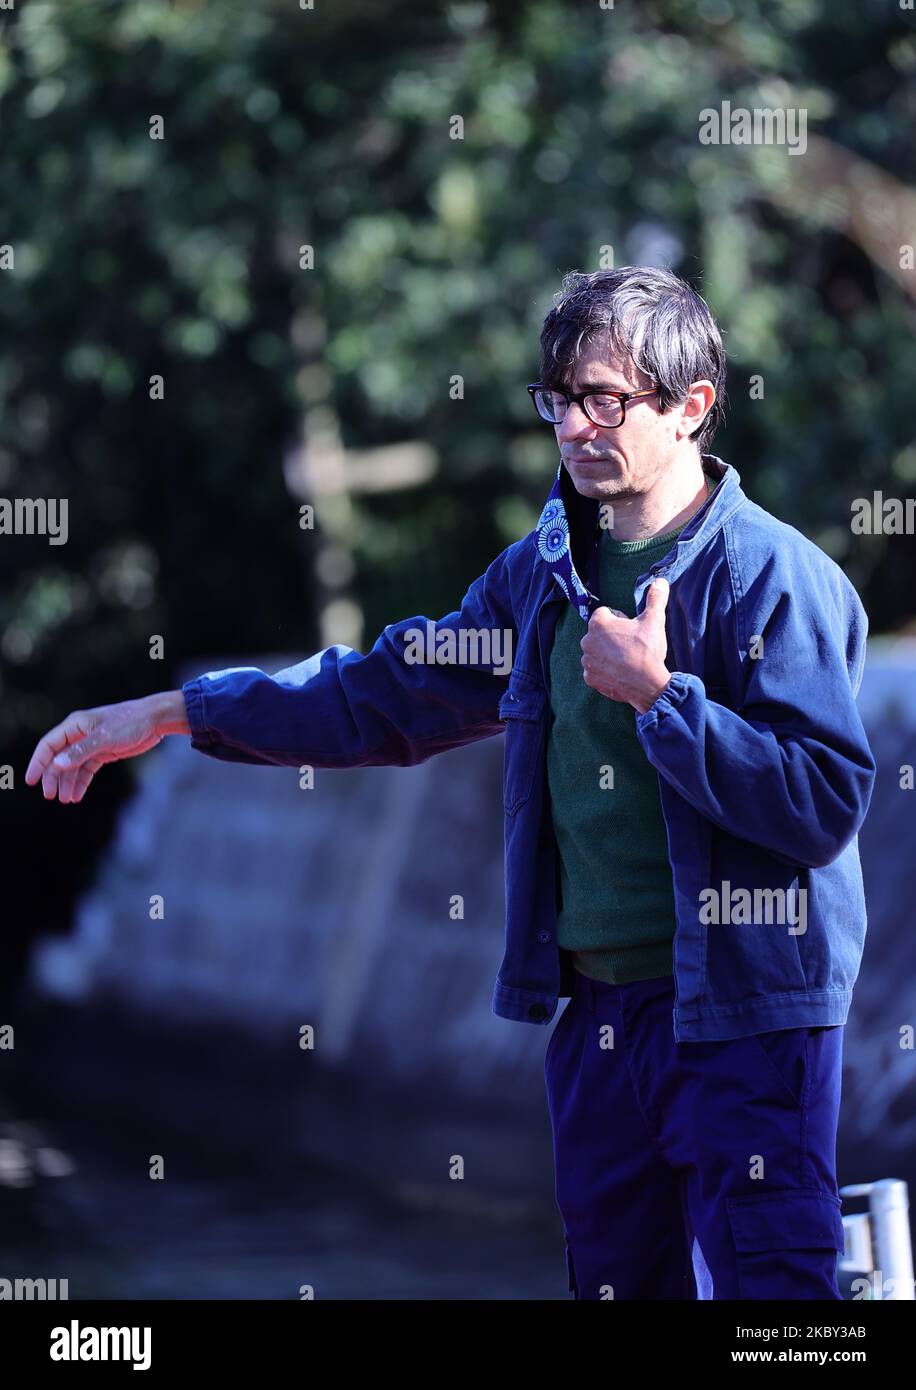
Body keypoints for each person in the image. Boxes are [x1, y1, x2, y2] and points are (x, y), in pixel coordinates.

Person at [25, 266, 876, 1300]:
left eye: (603, 400)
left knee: (778, 1303)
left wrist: (661, 701)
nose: (573, 427)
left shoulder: (776, 579)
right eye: (557, 400)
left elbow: (822, 802)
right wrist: (170, 713)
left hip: (748, 1019)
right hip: (597, 1019)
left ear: (690, 404)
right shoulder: (542, 575)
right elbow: (381, 695)